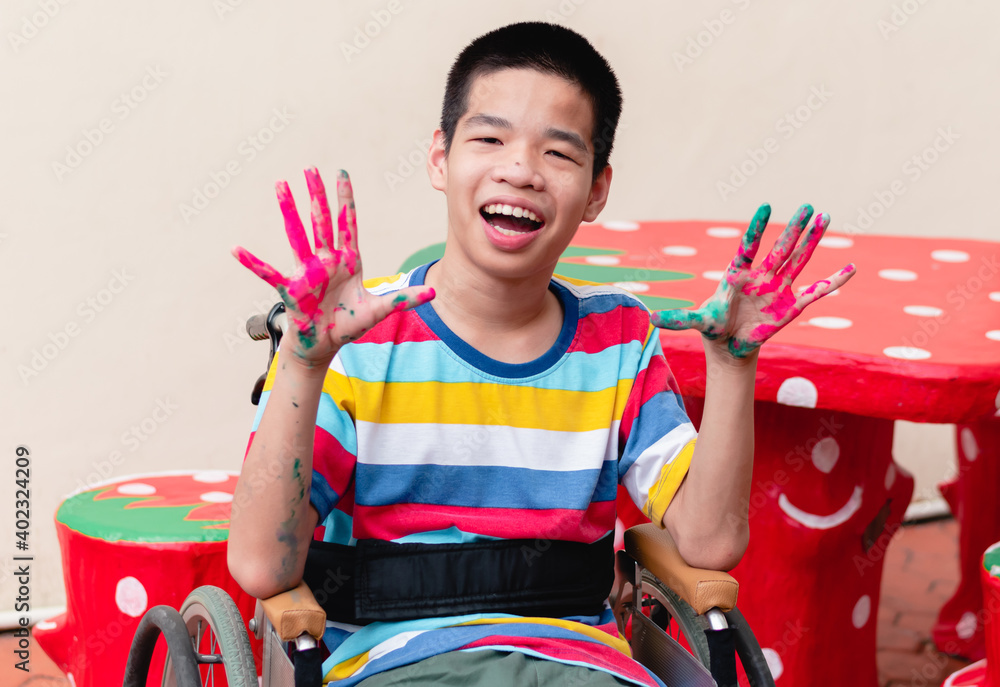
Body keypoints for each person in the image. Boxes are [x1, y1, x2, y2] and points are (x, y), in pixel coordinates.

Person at [226, 21, 854, 686]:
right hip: (401, 662)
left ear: (597, 189)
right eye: (490, 138)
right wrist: (302, 361)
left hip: (578, 662)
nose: (521, 170)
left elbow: (711, 542)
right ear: (440, 157)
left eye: (558, 153)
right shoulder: (358, 338)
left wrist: (731, 367)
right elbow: (263, 567)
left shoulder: (616, 339)